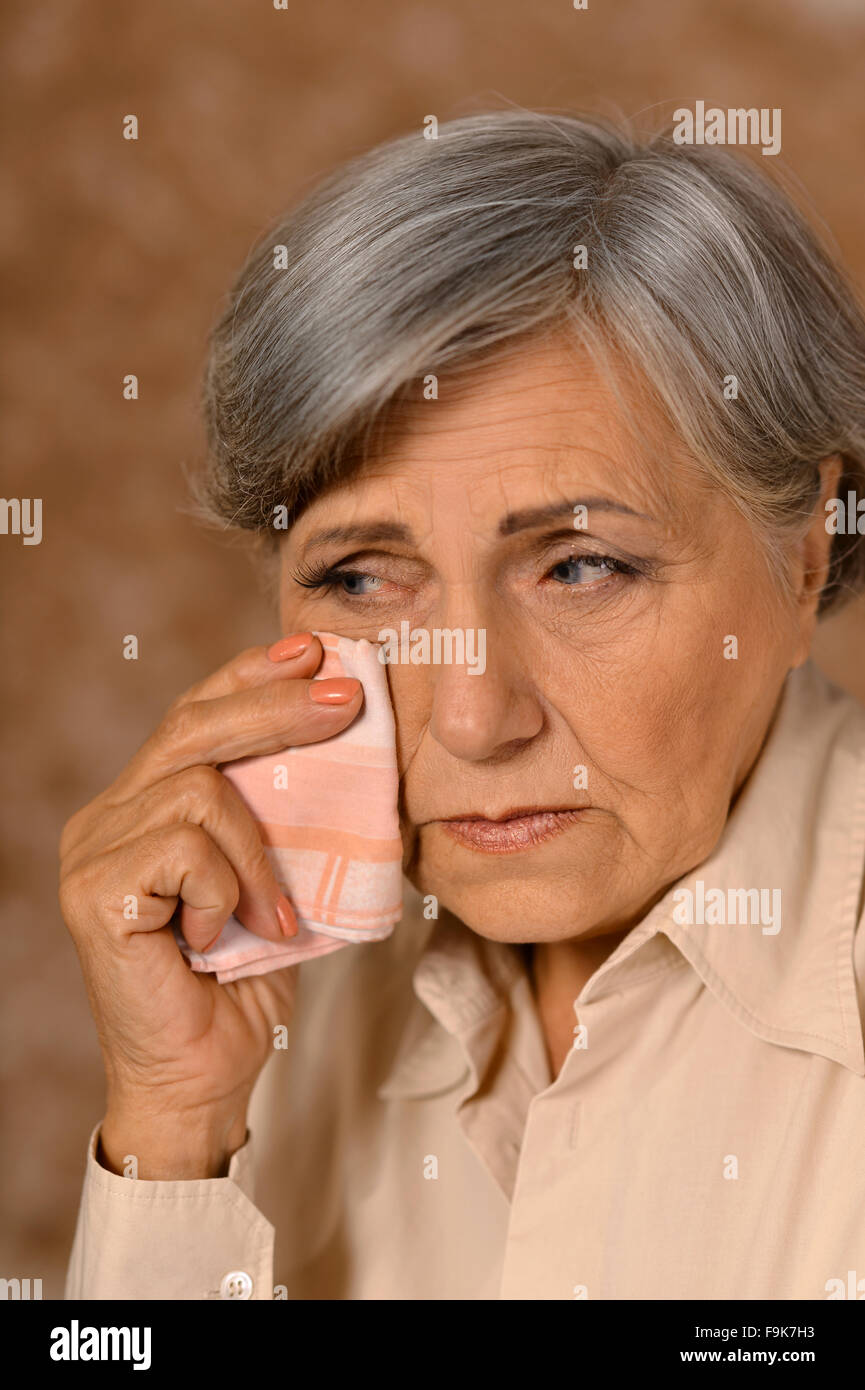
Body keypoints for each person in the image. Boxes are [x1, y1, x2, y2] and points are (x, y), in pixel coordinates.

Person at [61, 111, 865, 1299]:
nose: (475, 719)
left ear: (804, 550)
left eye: (581, 566)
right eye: (362, 579)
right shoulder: (279, 993)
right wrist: (174, 1139)